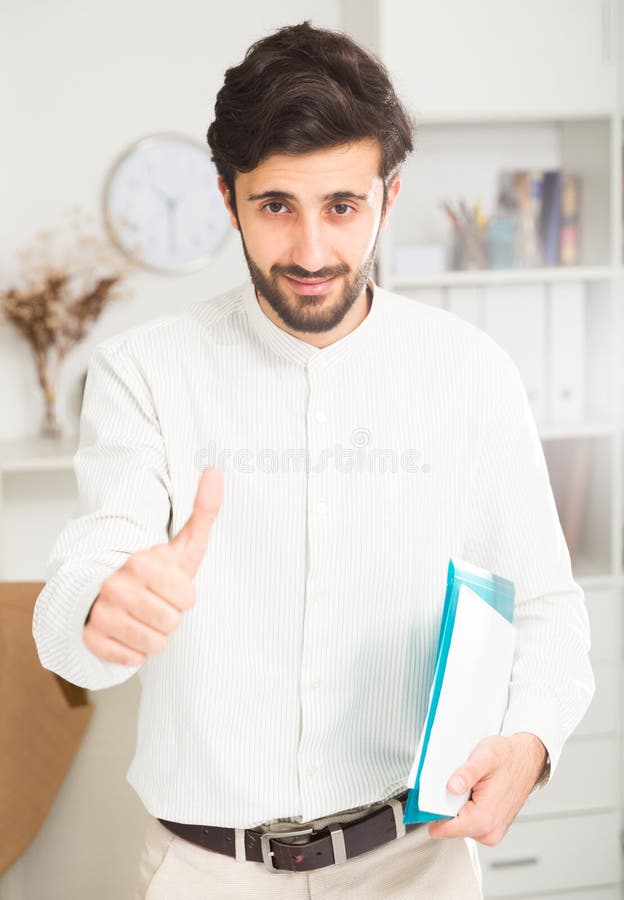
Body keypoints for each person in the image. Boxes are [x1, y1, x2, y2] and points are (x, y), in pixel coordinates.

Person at [32, 21, 594, 900]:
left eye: (342, 206)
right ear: (227, 199)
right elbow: (79, 595)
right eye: (275, 206)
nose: (310, 253)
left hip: (419, 863)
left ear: (389, 197)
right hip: (206, 874)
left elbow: (550, 609)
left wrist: (532, 741)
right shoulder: (144, 371)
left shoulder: (472, 371)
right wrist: (103, 605)